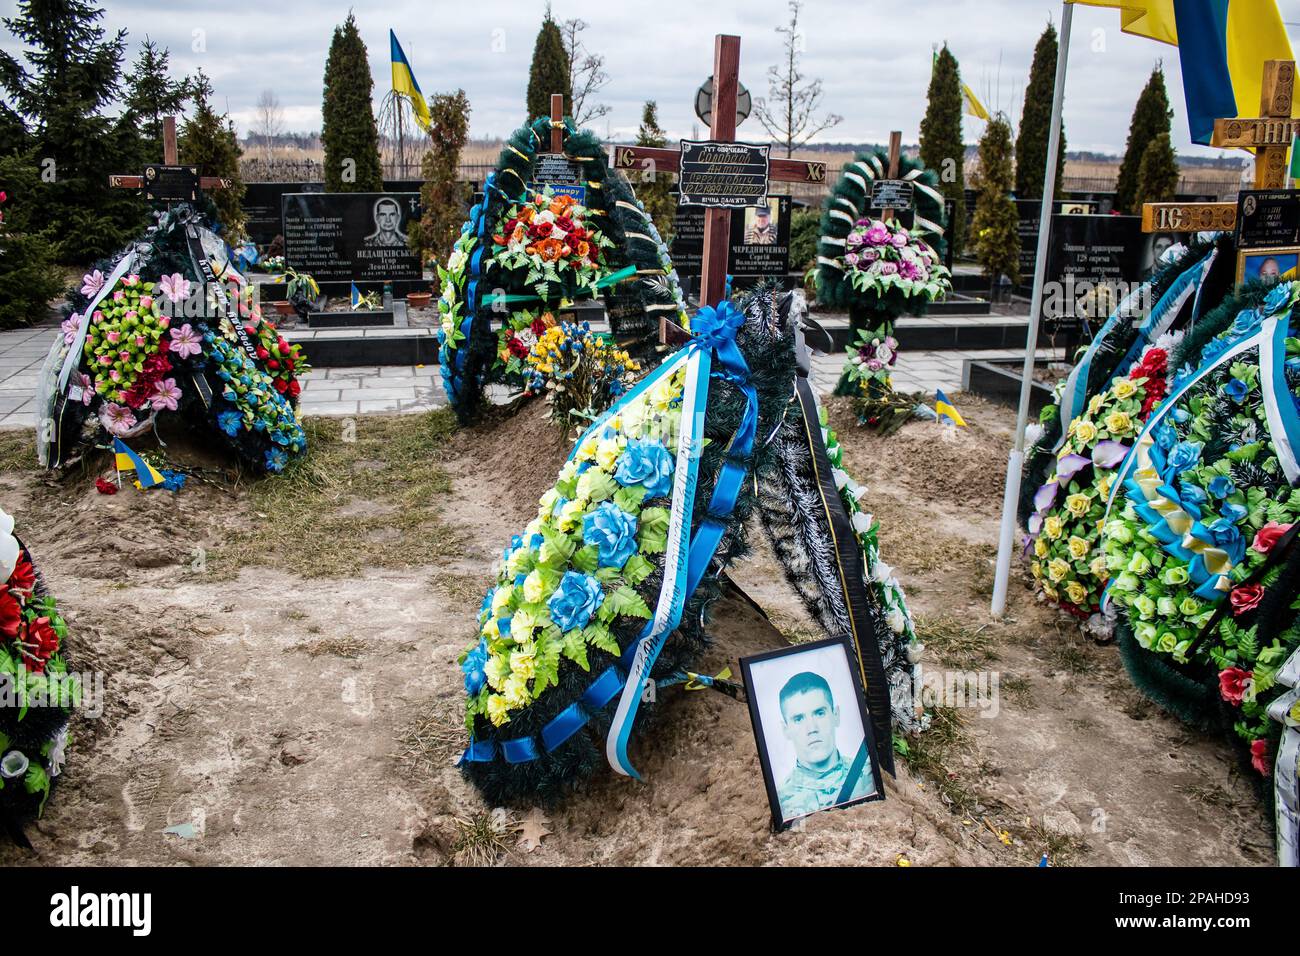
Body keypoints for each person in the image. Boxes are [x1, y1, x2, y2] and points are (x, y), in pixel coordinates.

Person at [774, 670, 874, 821]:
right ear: (786, 729)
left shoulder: (868, 773)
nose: (812, 728)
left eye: (819, 713)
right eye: (799, 719)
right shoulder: (781, 800)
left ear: (836, 715)